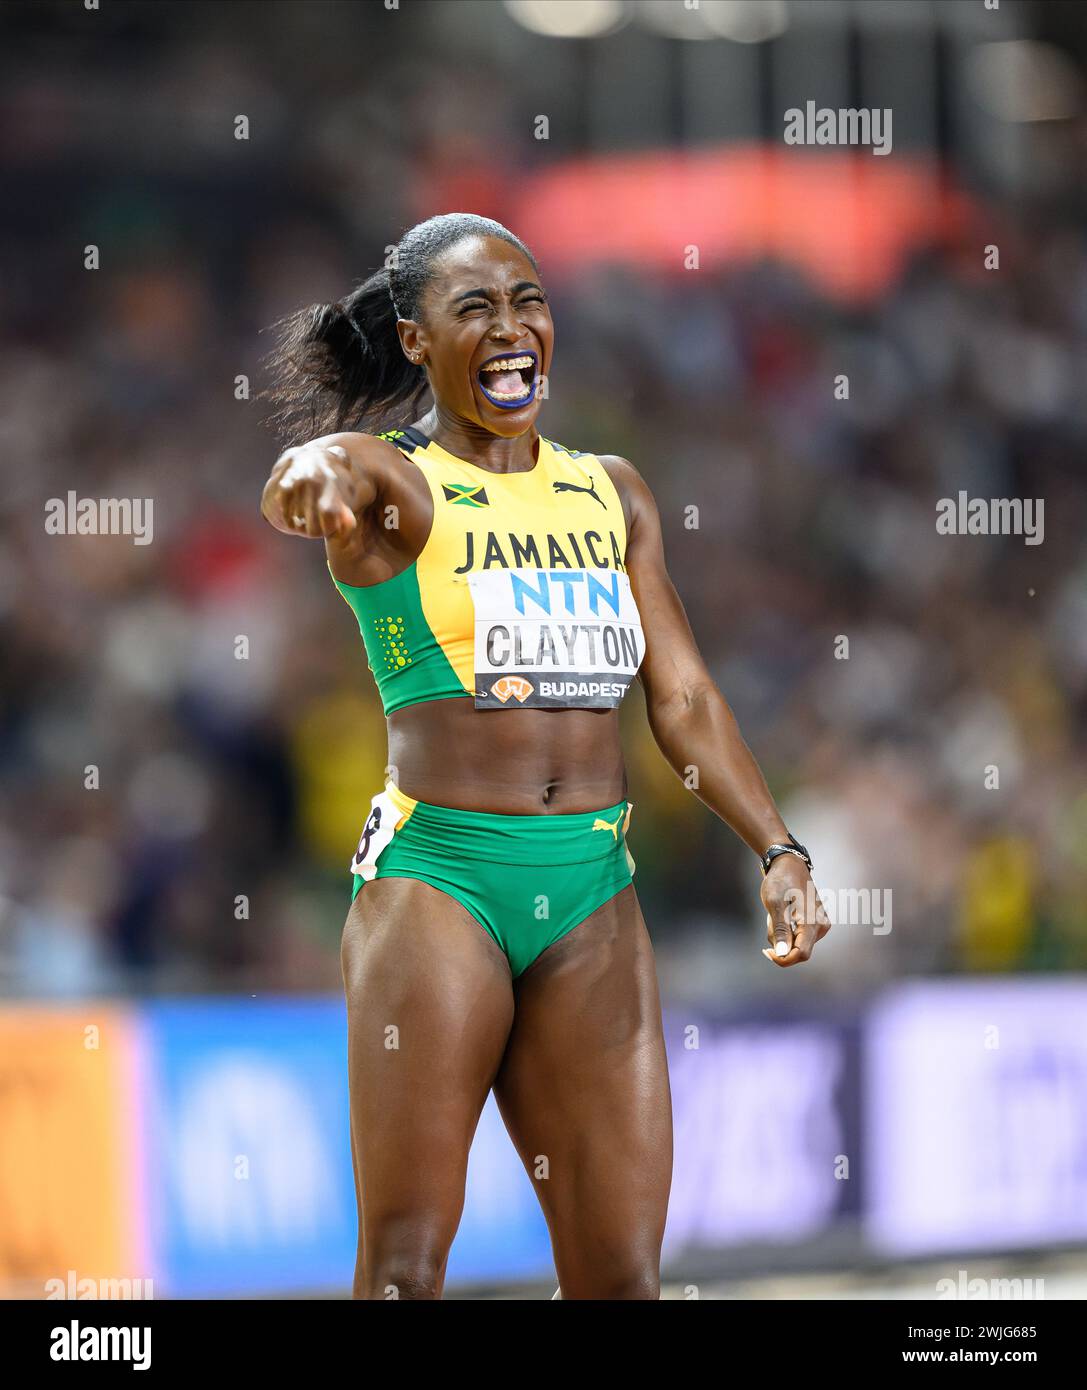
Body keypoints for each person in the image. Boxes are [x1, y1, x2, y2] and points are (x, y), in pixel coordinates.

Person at [260, 213, 830, 1300]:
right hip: (442, 883)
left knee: (621, 1280)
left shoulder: (610, 491)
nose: (511, 327)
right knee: (403, 1268)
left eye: (527, 301)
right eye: (474, 307)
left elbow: (684, 694)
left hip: (592, 893)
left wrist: (777, 849)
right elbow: (315, 462)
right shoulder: (396, 481)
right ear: (416, 339)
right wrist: (306, 476)